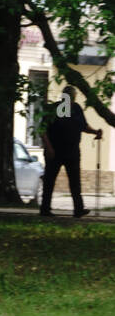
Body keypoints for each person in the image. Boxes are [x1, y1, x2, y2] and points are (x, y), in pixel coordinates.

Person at [41, 87, 104, 218]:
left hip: (72, 150)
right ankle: (45, 209)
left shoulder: (76, 109)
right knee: (50, 180)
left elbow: (83, 126)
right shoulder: (54, 109)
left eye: (72, 97)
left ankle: (78, 209)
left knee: (75, 181)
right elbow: (42, 130)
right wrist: (49, 148)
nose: (71, 100)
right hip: (55, 151)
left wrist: (95, 132)